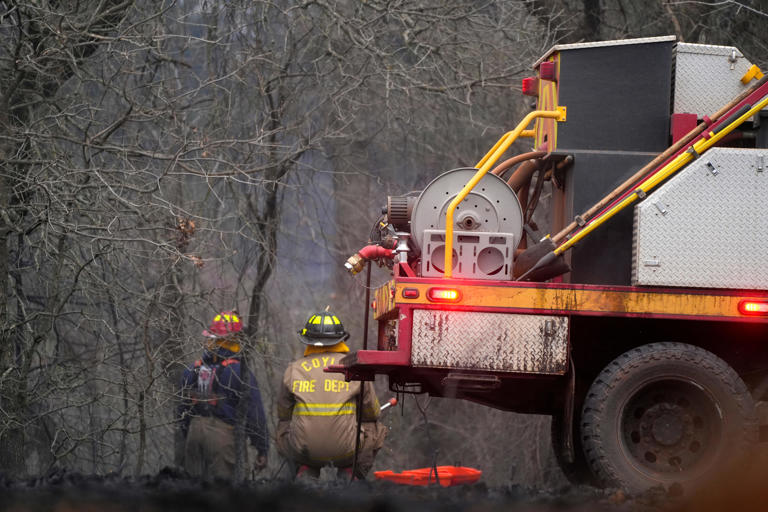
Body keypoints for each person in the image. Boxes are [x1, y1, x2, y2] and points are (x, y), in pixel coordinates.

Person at [276, 309, 387, 479]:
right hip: (347, 452)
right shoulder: (354, 369)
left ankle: (304, 469)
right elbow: (372, 412)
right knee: (374, 426)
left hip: (304, 451)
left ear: (308, 340)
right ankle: (352, 472)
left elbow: (283, 412)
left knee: (284, 425)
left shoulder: (294, 369)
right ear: (341, 340)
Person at [178, 311, 269, 479]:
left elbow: (182, 411)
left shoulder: (192, 369)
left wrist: (188, 434)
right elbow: (255, 414)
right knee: (224, 491)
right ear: (236, 340)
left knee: (192, 488)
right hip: (224, 437)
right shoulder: (239, 372)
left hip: (193, 435)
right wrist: (262, 448)